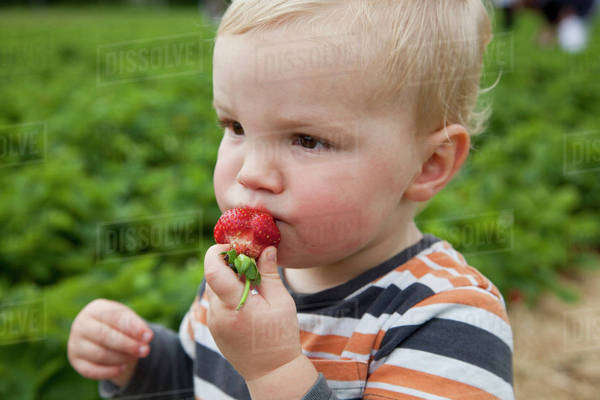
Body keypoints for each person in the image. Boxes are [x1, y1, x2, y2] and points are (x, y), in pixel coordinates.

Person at [67, 1, 514, 399]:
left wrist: (273, 370)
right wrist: (141, 365)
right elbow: (201, 379)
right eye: (235, 127)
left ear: (428, 164)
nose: (250, 173)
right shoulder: (242, 276)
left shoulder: (445, 319)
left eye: (307, 140)